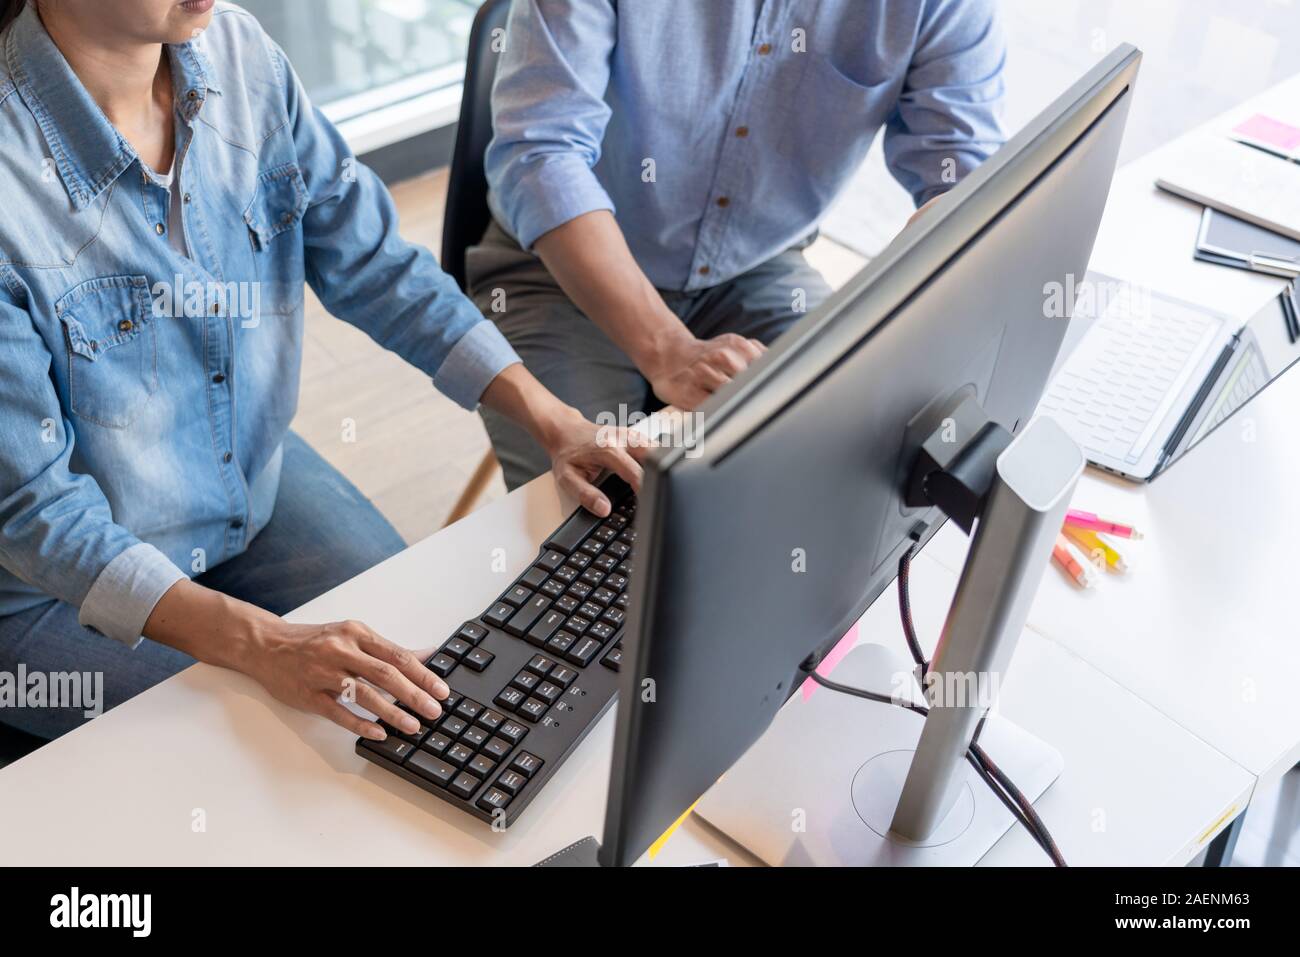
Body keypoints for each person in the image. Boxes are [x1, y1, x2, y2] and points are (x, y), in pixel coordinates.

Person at [0, 0, 645, 743]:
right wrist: (262, 642)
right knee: (270, 746)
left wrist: (553, 419)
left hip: (243, 484)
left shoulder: (241, 53)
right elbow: (36, 515)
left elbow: (375, 263)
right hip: (48, 588)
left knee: (421, 672)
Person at [473, 0, 1008, 489]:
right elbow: (540, 155)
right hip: (558, 275)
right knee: (599, 505)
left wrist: (949, 242)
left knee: (864, 458)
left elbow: (964, 176)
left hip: (754, 266)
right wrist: (667, 349)